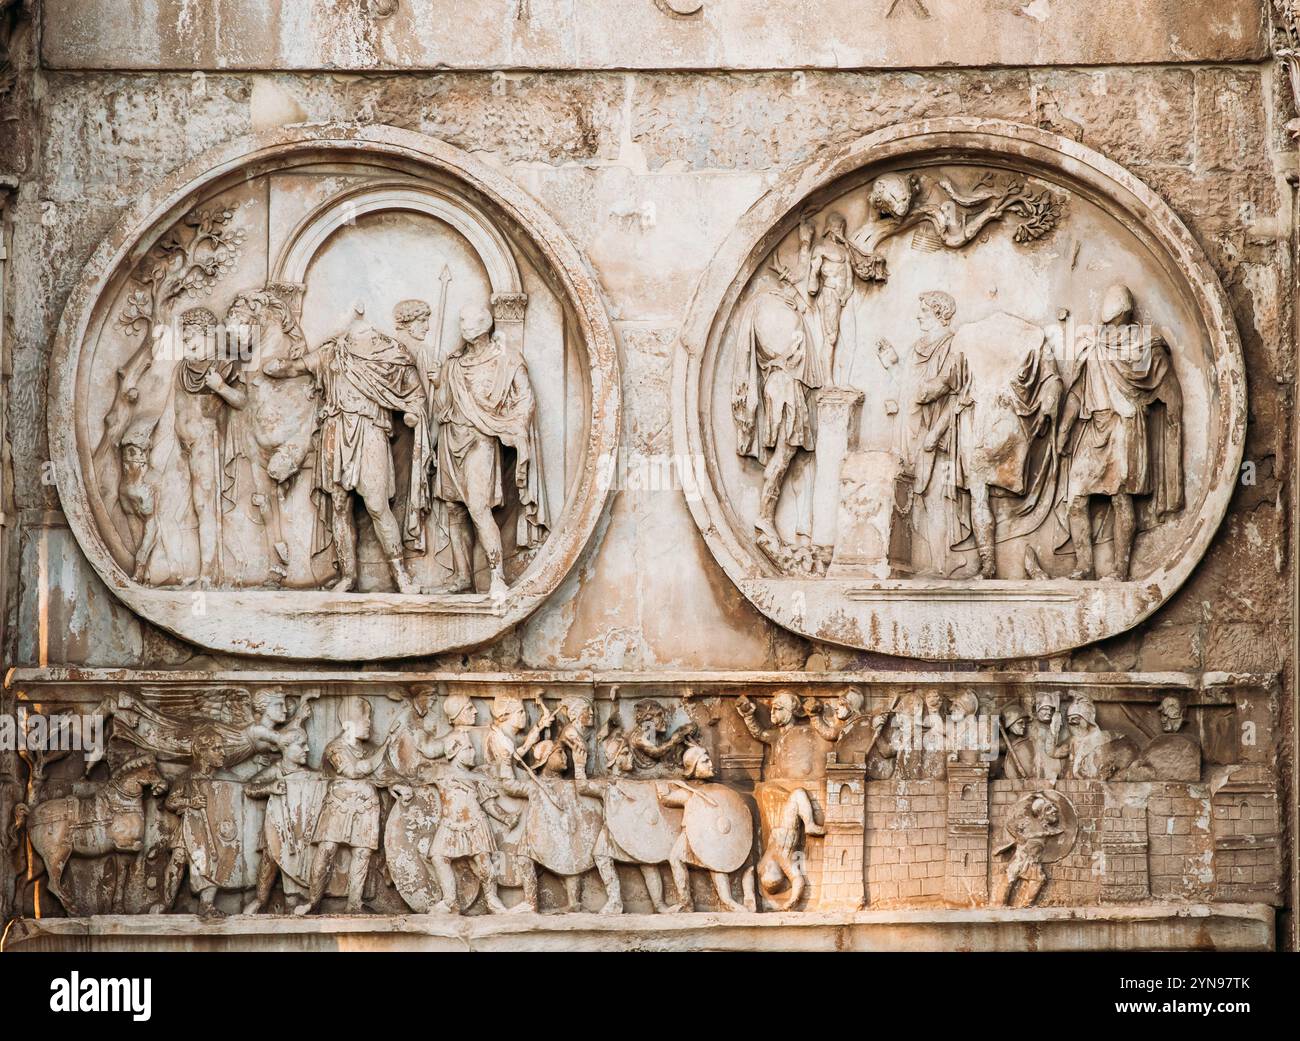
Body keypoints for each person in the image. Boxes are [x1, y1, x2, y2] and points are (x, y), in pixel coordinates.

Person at [263, 301, 430, 594]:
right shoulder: (332, 352)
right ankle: (348, 576)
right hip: (335, 431)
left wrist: (413, 412)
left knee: (377, 505)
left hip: (370, 429)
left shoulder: (391, 353)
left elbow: (416, 394)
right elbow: (281, 368)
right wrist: (327, 334)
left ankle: (400, 575)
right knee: (339, 506)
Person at [1056, 283, 1183, 580]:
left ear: (1124, 310)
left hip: (1126, 427)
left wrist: (1173, 421)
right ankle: (1085, 566)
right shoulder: (1092, 343)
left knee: (1121, 498)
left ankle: (1119, 570)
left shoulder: (1144, 345)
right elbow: (1077, 393)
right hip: (1095, 427)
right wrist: (1064, 429)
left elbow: (1169, 388)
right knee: (1076, 497)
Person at [432, 303, 549, 596]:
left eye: (469, 320)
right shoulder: (454, 363)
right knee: (454, 508)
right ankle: (462, 576)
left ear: (484, 326)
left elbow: (525, 399)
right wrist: (438, 382)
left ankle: (497, 576)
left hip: (481, 438)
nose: (463, 325)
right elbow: (442, 406)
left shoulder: (506, 360)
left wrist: (515, 426)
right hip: (451, 436)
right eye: (461, 320)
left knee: (478, 507)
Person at [173, 306, 246, 587]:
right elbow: (178, 408)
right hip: (186, 447)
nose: (187, 343)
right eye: (184, 338)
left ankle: (209, 572)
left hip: (214, 444)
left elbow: (242, 401)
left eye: (191, 337)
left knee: (206, 506)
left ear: (207, 335)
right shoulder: (182, 371)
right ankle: (201, 569)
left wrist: (220, 387)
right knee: (193, 506)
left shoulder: (224, 366)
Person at [296, 700, 385, 915]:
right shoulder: (335, 748)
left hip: (367, 805)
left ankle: (354, 903)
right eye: (364, 718)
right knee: (327, 849)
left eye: (369, 717)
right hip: (339, 803)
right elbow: (352, 771)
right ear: (347, 724)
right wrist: (386, 747)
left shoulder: (369, 750)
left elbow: (384, 775)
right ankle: (314, 901)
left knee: (362, 853)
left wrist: (399, 786)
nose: (369, 722)